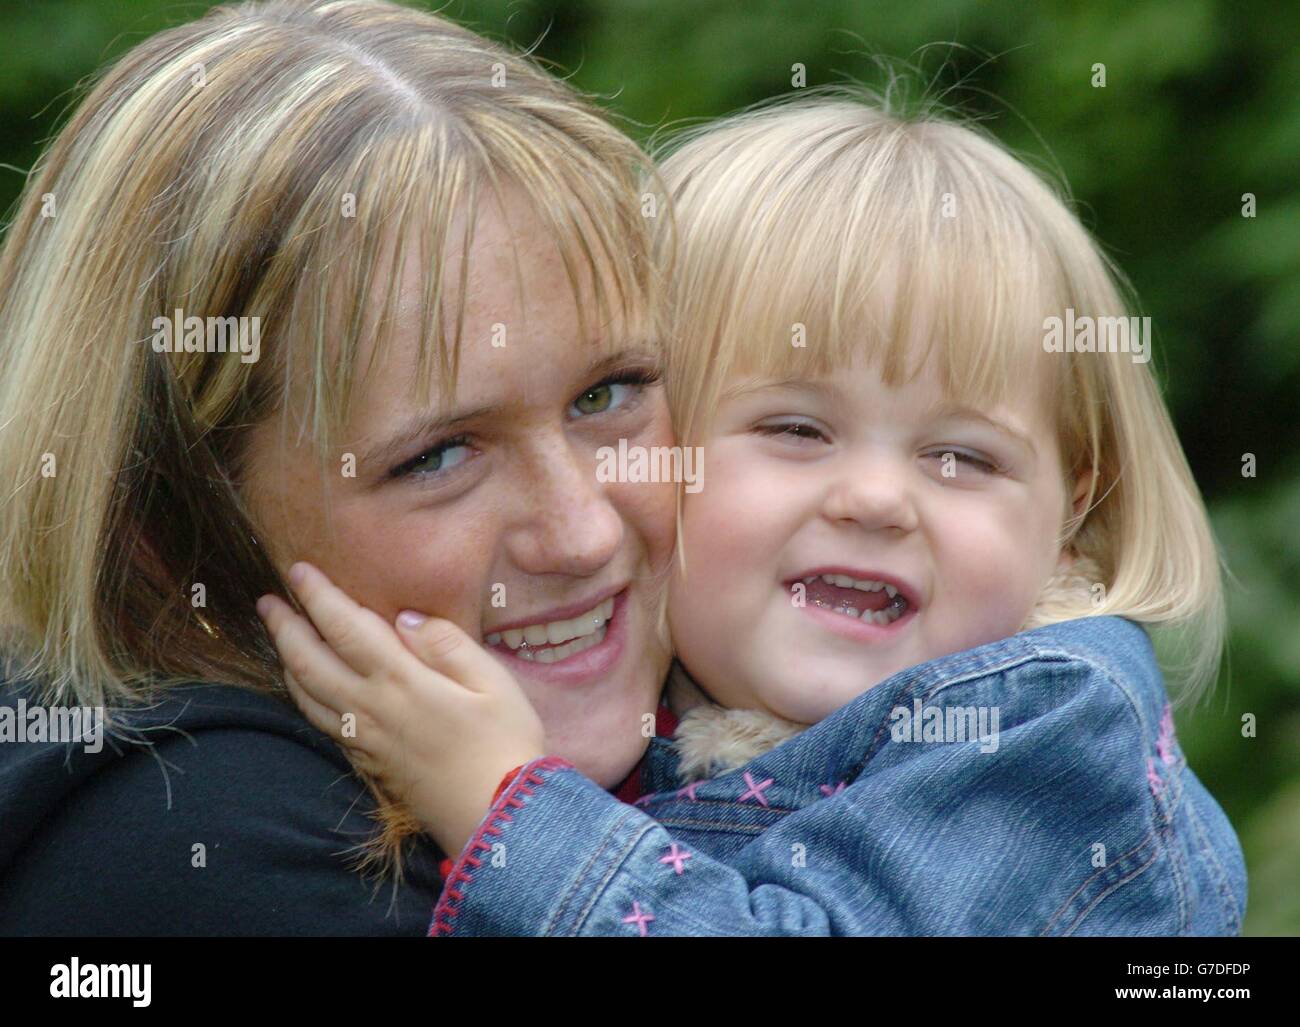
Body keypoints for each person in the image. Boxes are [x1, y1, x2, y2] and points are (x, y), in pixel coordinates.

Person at [261, 93, 1248, 935]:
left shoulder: (1043, 730)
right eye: (795, 429)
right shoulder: (656, 715)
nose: (873, 499)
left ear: (1073, 509)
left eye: (961, 455)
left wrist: (500, 802)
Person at [0, 0, 675, 934]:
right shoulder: (214, 851)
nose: (583, 530)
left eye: (609, 394)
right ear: (171, 518)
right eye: (437, 455)